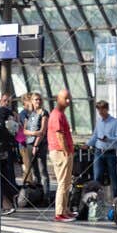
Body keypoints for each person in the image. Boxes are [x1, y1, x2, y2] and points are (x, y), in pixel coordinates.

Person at [48, 90, 76, 221]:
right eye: (65, 98)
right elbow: (59, 135)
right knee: (63, 182)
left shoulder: (60, 114)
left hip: (63, 151)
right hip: (60, 152)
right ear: (58, 99)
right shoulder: (57, 115)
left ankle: (65, 209)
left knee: (66, 182)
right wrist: (66, 151)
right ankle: (59, 212)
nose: (68, 101)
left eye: (69, 98)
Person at [87, 99, 117, 196]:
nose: (100, 113)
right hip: (98, 151)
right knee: (97, 175)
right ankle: (96, 197)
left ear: (107, 109)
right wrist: (87, 144)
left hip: (110, 152)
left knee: (113, 175)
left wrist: (108, 139)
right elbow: (95, 136)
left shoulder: (115, 122)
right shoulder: (99, 122)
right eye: (99, 110)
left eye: (102, 110)